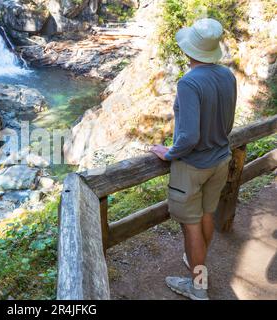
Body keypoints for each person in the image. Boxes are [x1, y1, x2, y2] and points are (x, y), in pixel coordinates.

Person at [151, 18, 237, 300]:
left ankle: (198, 287)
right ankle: (195, 262)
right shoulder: (227, 75)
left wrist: (169, 152)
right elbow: (228, 122)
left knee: (191, 226)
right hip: (220, 160)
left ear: (190, 51)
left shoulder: (189, 83)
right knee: (206, 215)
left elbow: (187, 136)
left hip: (192, 167)